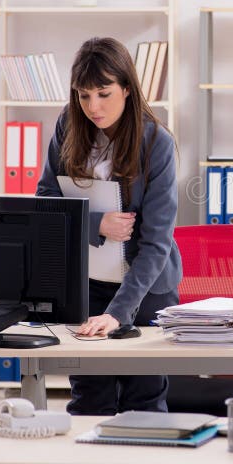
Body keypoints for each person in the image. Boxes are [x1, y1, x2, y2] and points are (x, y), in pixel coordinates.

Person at [36, 36, 182, 415]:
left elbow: (156, 244)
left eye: (103, 93)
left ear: (127, 89)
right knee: (89, 399)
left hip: (145, 291)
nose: (93, 107)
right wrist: (96, 223)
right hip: (89, 285)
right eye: (83, 96)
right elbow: (46, 204)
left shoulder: (157, 143)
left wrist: (119, 313)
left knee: (143, 401)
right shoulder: (69, 126)